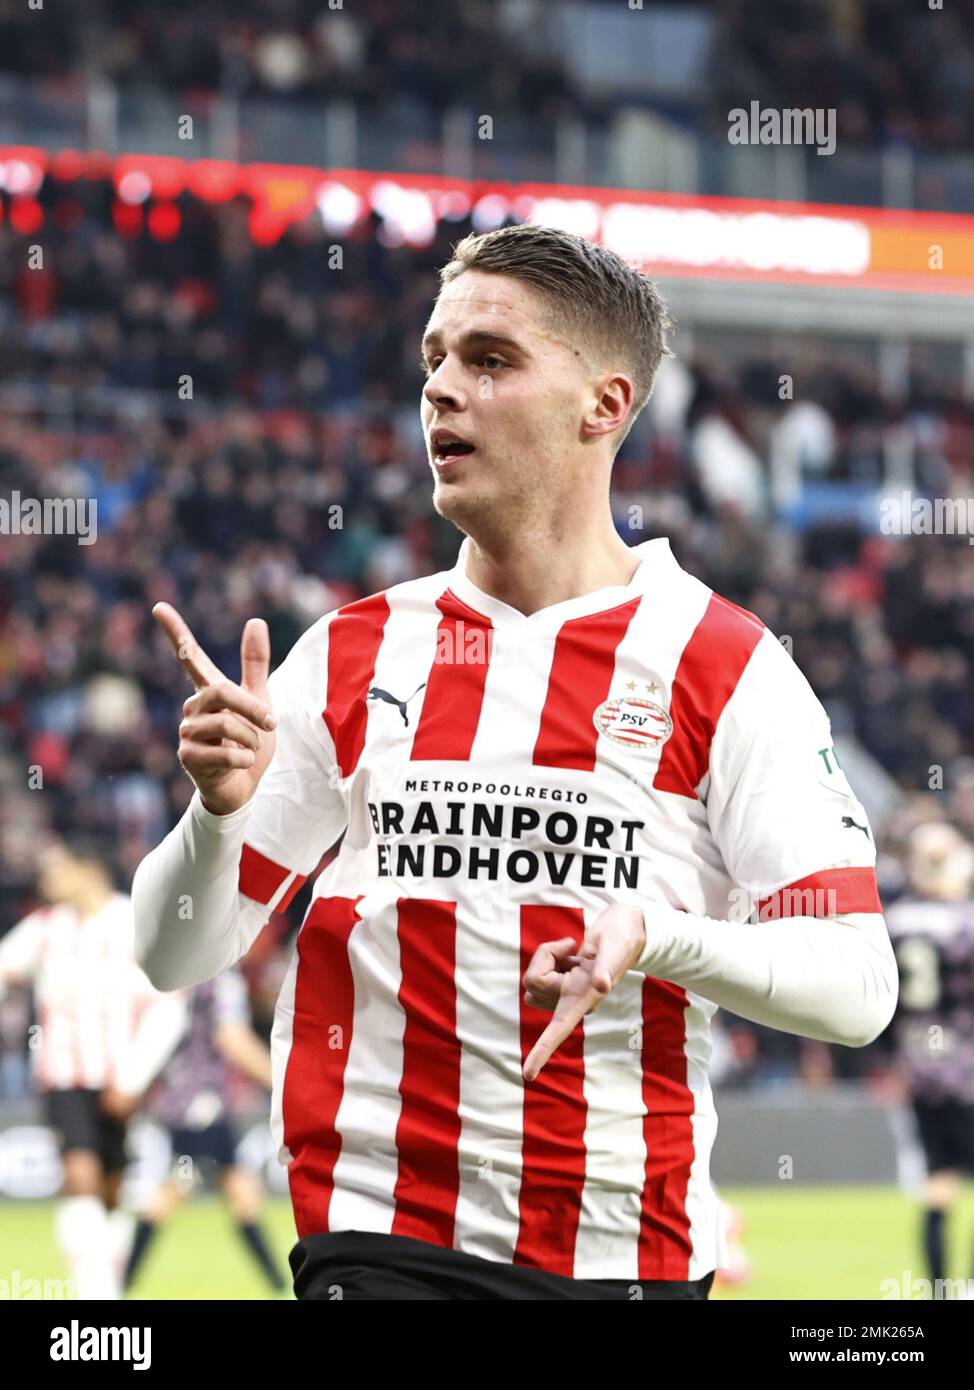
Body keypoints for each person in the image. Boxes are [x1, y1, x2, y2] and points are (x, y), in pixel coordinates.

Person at [132, 223, 897, 1301]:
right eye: (433, 360)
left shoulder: (723, 664)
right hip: (379, 1241)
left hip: (621, 1257)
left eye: (488, 360)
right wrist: (213, 816)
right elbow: (172, 954)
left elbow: (859, 988)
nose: (441, 390)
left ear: (604, 404)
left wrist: (655, 938)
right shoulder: (348, 653)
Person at [0, 838, 187, 1298]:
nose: (47, 880)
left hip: (123, 1082)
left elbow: (170, 1006)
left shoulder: (132, 923)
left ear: (88, 869)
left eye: (57, 869)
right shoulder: (43, 928)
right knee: (79, 1175)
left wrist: (134, 1077)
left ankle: (109, 1286)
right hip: (64, 1078)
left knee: (111, 1187)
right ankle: (92, 1295)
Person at [124, 968, 287, 1296]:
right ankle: (119, 1281)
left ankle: (280, 1285)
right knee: (175, 1192)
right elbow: (232, 1039)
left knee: (239, 1189)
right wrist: (281, 1082)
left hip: (185, 1101)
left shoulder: (182, 976)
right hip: (202, 1106)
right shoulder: (224, 982)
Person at [887, 822, 974, 1296]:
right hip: (966, 1068)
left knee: (938, 1184)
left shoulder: (896, 921)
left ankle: (940, 1290)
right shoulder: (965, 921)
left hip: (920, 1065)